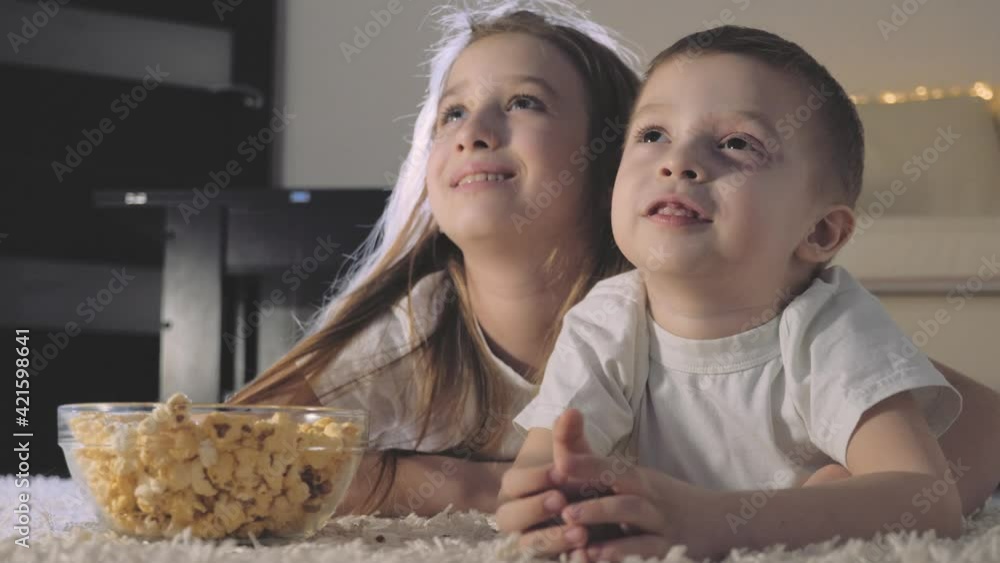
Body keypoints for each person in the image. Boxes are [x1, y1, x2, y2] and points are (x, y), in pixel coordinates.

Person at [497, 25, 1000, 561]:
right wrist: (549, 498)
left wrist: (716, 522)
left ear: (819, 233)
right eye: (652, 135)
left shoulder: (829, 326)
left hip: (981, 438)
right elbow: (536, 472)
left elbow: (928, 502)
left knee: (853, 479)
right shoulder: (605, 322)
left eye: (737, 143)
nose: (677, 162)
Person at [227, 0, 642, 515]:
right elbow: (242, 449)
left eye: (524, 102)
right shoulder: (418, 326)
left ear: (612, 163)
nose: (474, 131)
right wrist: (457, 487)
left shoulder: (660, 319)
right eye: (453, 113)